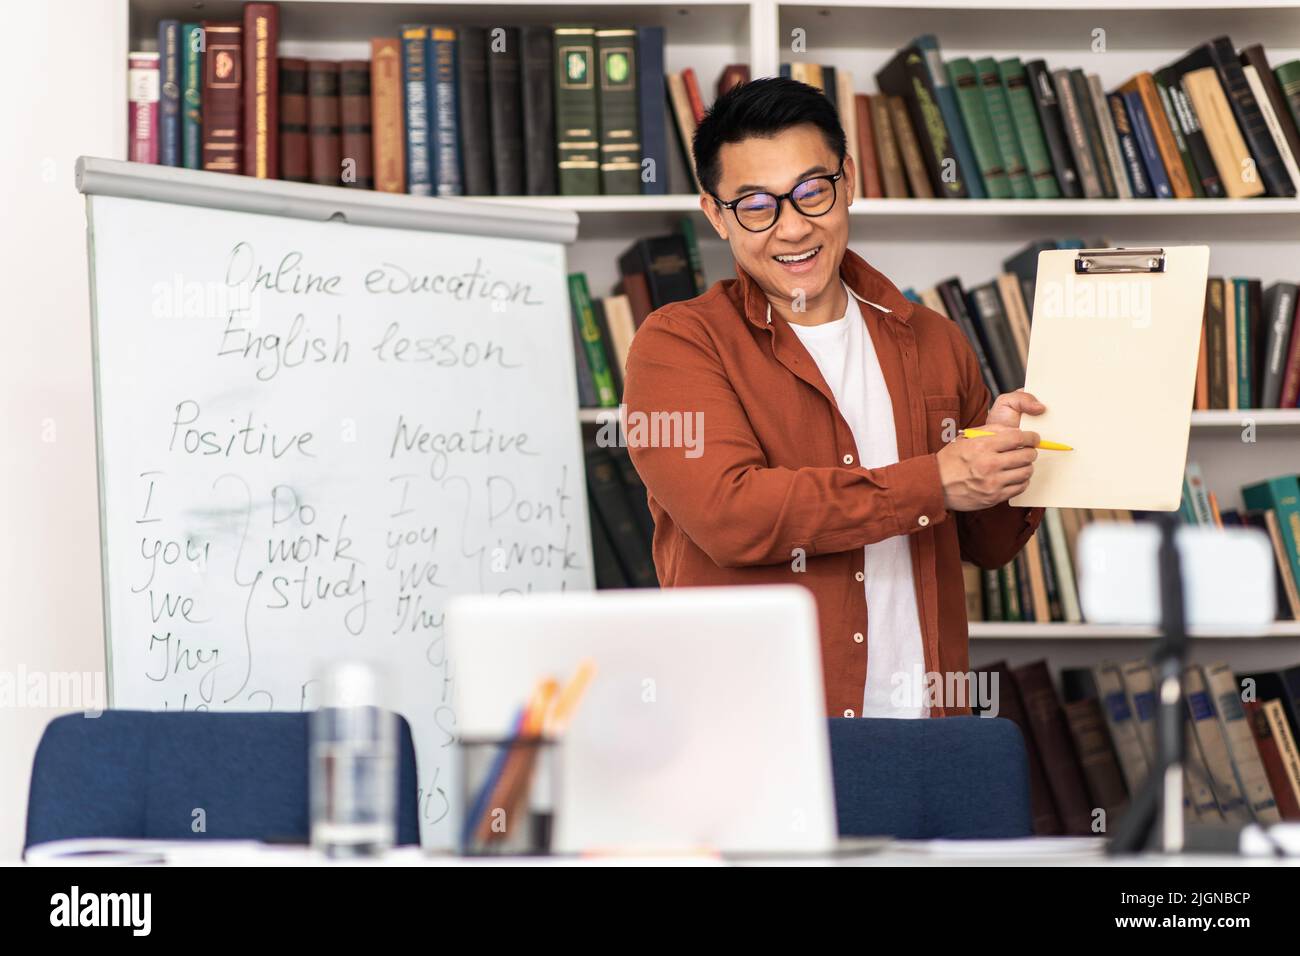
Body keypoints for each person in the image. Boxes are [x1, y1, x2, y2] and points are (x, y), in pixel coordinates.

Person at [622, 77, 1046, 718]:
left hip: (925, 727)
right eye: (756, 205)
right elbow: (732, 517)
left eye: (812, 193)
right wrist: (935, 481)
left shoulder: (933, 338)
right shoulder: (678, 343)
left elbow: (987, 546)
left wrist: (1001, 458)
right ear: (715, 214)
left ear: (847, 181)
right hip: (755, 738)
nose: (792, 228)